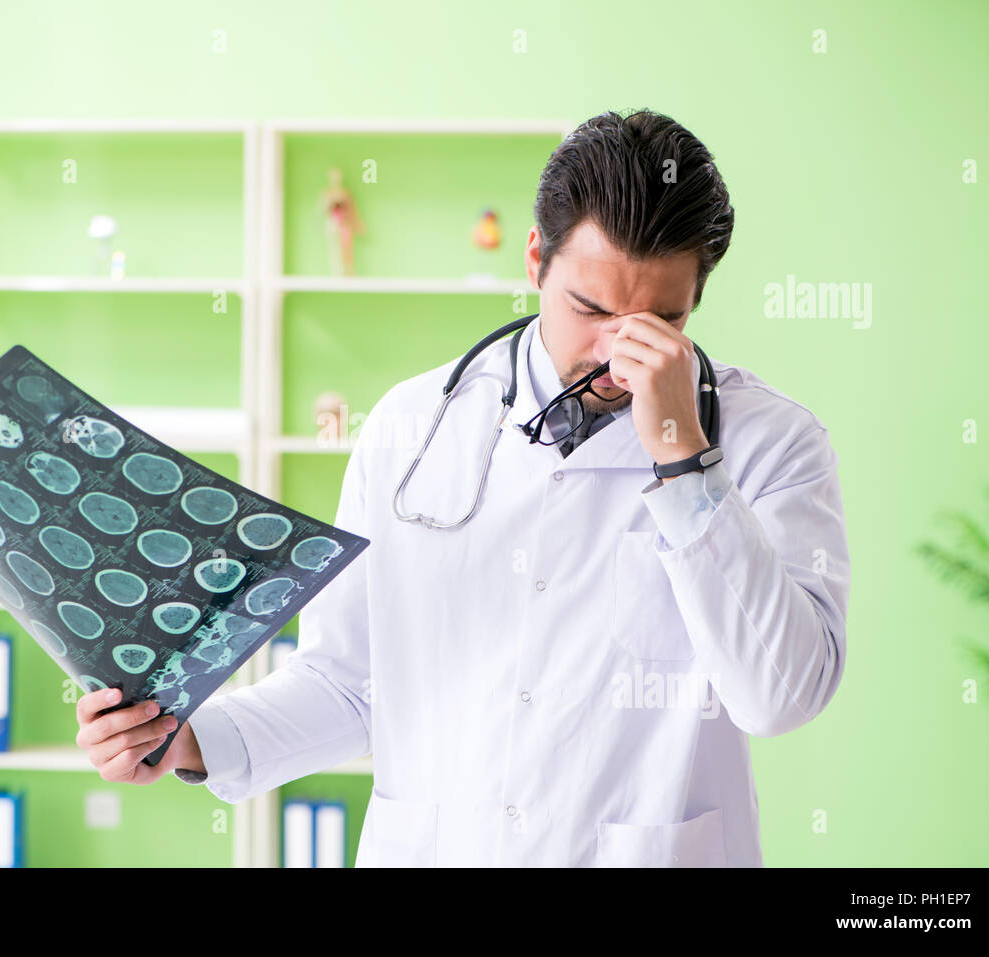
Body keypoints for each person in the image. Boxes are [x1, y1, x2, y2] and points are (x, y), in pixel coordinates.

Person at [74, 108, 850, 867]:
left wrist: (685, 461)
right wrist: (191, 736)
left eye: (660, 321)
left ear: (697, 300)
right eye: (590, 308)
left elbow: (781, 695)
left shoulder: (771, 443)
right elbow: (348, 684)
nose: (618, 356)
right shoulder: (413, 426)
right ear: (534, 259)